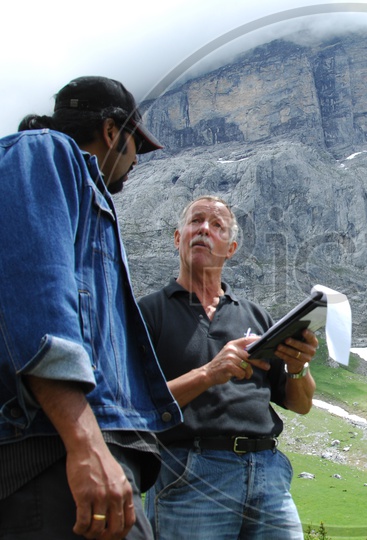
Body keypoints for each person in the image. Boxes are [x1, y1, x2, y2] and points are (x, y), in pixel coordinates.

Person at [0, 76, 182, 540]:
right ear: (110, 132)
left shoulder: (77, 182)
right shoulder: (43, 152)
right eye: (136, 144)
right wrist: (86, 443)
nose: (137, 160)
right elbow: (39, 298)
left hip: (82, 448)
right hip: (54, 452)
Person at [138, 195, 319, 540]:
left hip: (269, 474)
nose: (204, 229)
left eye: (217, 225)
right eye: (195, 221)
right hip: (189, 474)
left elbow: (301, 404)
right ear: (178, 238)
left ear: (231, 248)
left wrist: (298, 367)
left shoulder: (257, 318)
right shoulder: (148, 314)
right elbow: (133, 405)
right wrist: (210, 372)